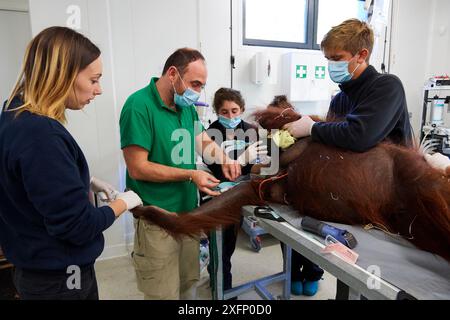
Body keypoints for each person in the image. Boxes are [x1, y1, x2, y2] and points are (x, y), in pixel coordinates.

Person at [0, 26, 142, 300]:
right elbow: (78, 227)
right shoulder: (41, 135)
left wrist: (82, 180)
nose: (99, 90)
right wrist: (123, 202)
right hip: (62, 278)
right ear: (63, 75)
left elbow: (25, 177)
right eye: (94, 80)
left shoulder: (12, 114)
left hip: (33, 265)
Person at [283, 19, 413, 296]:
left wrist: (313, 128)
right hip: (356, 194)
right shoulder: (339, 100)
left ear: (361, 55)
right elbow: (333, 148)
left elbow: (359, 136)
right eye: (328, 58)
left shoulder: (386, 87)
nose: (331, 65)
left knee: (377, 281)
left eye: (337, 58)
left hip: (393, 199)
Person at [120, 48, 242, 300]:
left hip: (188, 214)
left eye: (202, 86)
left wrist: (224, 158)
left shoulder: (185, 107)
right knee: (162, 293)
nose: (197, 92)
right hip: (157, 218)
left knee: (188, 284)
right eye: (195, 83)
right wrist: (190, 175)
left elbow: (202, 140)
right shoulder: (138, 106)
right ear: (173, 74)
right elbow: (138, 167)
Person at [203, 88, 267, 297]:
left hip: (244, 191)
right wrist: (242, 160)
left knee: (230, 240)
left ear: (242, 109)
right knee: (222, 244)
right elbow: (219, 170)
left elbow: (256, 166)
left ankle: (219, 275)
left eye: (234, 110)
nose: (230, 116)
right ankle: (223, 286)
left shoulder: (251, 130)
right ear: (216, 112)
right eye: (224, 112)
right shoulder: (210, 134)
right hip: (220, 194)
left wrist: (263, 163)